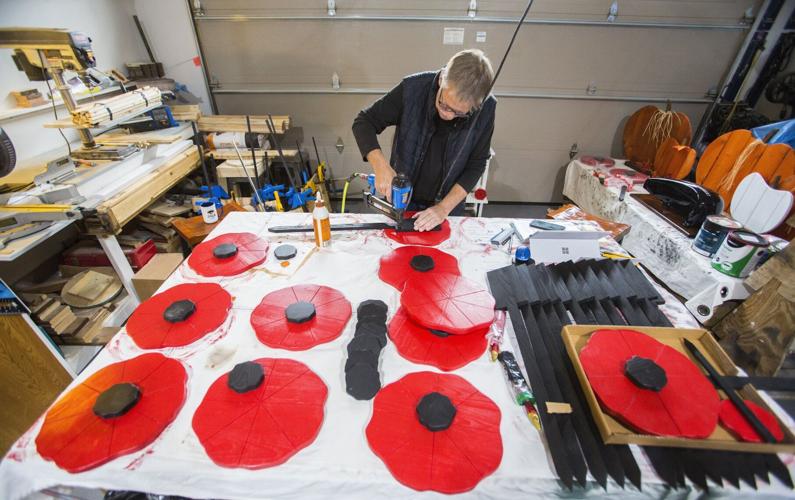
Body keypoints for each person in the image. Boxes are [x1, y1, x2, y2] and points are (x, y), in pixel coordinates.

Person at [352, 49, 495, 231]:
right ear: (442, 78)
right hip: (402, 200)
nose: (448, 115)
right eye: (444, 104)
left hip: (447, 206)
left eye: (459, 113)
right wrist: (380, 165)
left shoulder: (486, 108)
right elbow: (364, 122)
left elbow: (477, 163)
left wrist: (443, 208)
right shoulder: (413, 89)